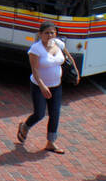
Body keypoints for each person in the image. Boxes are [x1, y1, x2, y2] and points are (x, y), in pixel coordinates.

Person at [17, 22, 78, 153]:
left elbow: (69, 57)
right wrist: (42, 86)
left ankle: (51, 142)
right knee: (39, 113)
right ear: (40, 34)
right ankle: (24, 126)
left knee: (55, 113)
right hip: (39, 86)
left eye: (52, 32)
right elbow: (34, 70)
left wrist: (76, 71)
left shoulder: (59, 43)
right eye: (47, 33)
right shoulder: (36, 49)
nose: (50, 35)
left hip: (56, 86)